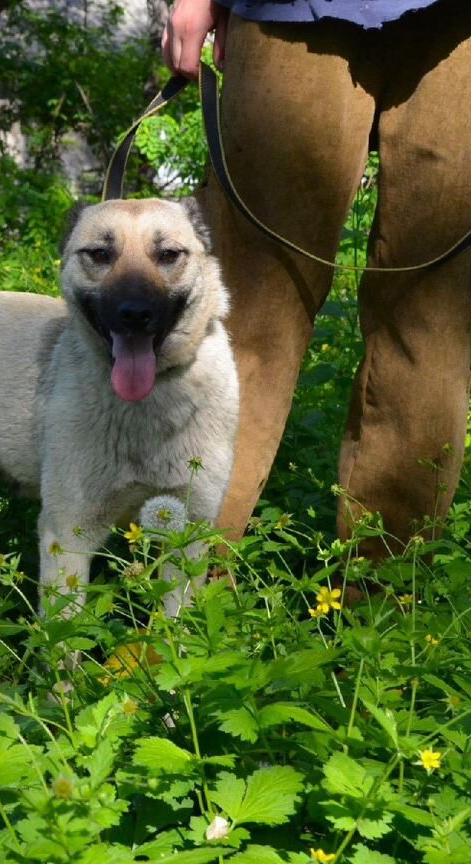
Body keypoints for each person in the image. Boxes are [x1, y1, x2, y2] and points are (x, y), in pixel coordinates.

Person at [162, 0, 471, 555]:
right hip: (293, 10)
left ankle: (388, 589)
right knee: (249, 310)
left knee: (432, 327)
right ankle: (184, 577)